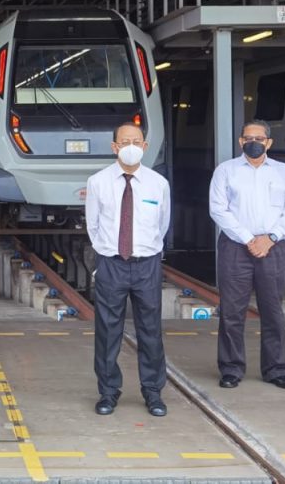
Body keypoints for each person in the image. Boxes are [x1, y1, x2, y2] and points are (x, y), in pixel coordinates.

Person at [84, 122, 170, 417]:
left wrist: (145, 251)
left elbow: (163, 224)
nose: (131, 146)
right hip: (111, 263)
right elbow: (92, 226)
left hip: (147, 264)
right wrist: (109, 253)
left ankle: (153, 392)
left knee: (151, 330)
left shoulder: (158, 184)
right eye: (125, 141)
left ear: (145, 146)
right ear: (114, 147)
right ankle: (108, 392)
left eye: (137, 141)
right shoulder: (98, 182)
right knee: (108, 331)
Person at [209, 120, 285, 391]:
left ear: (269, 143)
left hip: (273, 247)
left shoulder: (284, 173)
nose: (254, 142)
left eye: (259, 138)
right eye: (248, 137)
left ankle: (276, 369)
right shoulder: (225, 171)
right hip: (236, 246)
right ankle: (231, 368)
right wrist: (249, 238)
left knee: (273, 311)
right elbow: (218, 209)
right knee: (232, 311)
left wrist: (270, 238)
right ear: (240, 142)